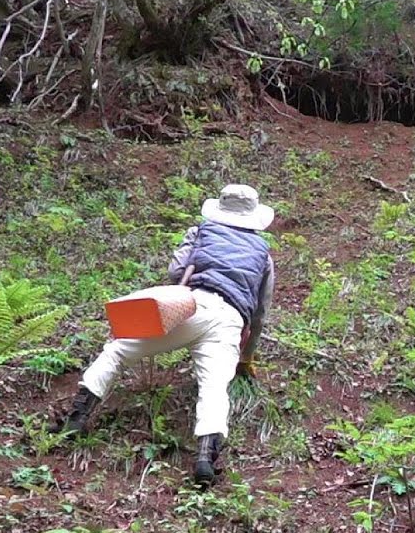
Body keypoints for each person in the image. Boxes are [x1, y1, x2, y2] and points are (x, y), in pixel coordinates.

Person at [50, 184, 276, 487]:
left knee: (119, 350)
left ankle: (76, 419)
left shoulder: (201, 232)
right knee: (213, 387)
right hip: (231, 320)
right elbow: (260, 311)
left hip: (194, 304)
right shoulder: (263, 254)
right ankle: (205, 460)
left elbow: (176, 271)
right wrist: (246, 357)